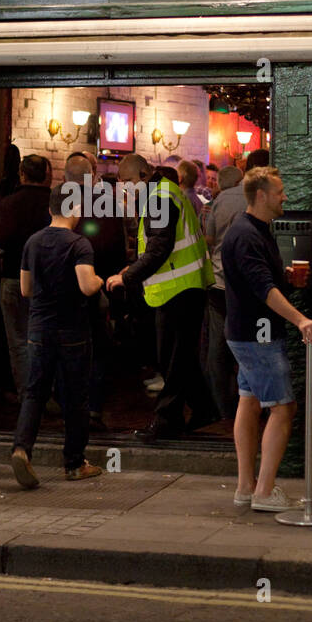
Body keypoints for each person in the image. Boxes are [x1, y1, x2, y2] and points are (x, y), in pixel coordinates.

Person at [221, 167, 312, 511]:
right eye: (279, 191)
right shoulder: (248, 235)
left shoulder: (253, 229)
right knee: (283, 407)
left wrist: (286, 279)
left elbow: (265, 281)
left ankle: (245, 487)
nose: (285, 196)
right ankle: (264, 492)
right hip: (257, 336)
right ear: (261, 195)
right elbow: (262, 288)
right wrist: (301, 320)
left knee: (249, 402)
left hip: (246, 333)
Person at [106, 154, 217, 441]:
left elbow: (159, 249)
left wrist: (127, 277)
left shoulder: (159, 198)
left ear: (143, 175)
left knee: (173, 358)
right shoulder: (166, 193)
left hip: (178, 289)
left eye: (129, 183)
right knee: (177, 356)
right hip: (183, 287)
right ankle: (205, 408)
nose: (127, 190)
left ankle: (167, 420)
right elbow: (159, 246)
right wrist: (132, 268)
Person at [10, 184, 106, 488]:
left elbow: (25, 289)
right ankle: (75, 464)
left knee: (35, 392)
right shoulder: (80, 244)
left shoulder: (33, 242)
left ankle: (21, 449)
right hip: (72, 331)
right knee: (75, 398)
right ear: (75, 210)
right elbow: (87, 286)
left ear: (50, 210)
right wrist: (103, 278)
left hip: (39, 329)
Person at [64, 154, 125, 431]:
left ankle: (69, 404)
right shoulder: (108, 204)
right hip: (96, 284)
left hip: (63, 288)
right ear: (92, 175)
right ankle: (93, 406)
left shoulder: (58, 202)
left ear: (66, 176)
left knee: (66, 347)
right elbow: (116, 247)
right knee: (98, 347)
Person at [0, 154, 52, 403]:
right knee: (47, 339)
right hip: (50, 282)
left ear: (22, 175)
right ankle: (51, 393)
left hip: (14, 278)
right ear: (46, 175)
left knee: (19, 341)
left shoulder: (9, 203)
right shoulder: (55, 203)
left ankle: (30, 396)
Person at [203, 165, 245, 419]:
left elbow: (206, 239)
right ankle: (246, 403)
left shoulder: (215, 203)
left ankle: (221, 407)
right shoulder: (252, 198)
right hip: (244, 287)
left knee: (217, 349)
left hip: (218, 283)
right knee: (245, 346)